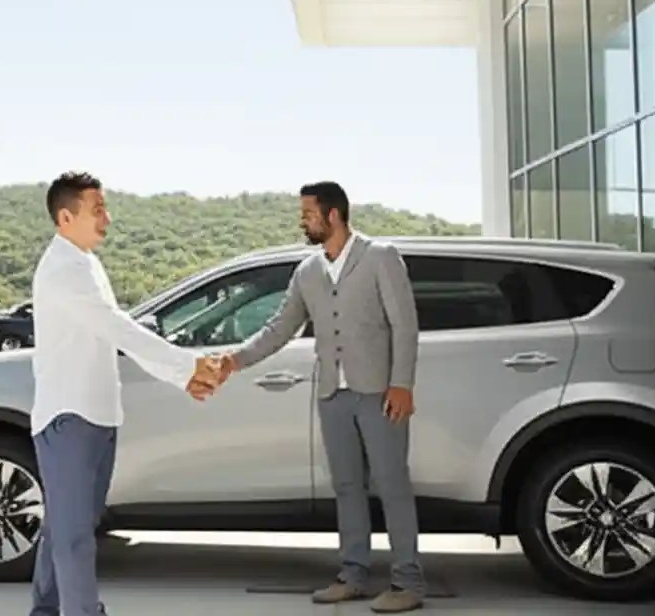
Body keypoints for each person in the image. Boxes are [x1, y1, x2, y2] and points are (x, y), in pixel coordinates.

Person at [203, 181, 424, 614]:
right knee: (346, 487)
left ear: (334, 215)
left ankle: (408, 582)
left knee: (393, 484)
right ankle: (354, 575)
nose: (302, 221)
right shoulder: (307, 272)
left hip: (380, 391)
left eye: (308, 213)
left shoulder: (381, 257)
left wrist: (402, 384)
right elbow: (279, 329)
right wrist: (233, 361)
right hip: (332, 394)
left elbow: (405, 325)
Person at [29, 171, 224, 616]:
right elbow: (119, 329)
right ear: (65, 216)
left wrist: (181, 373)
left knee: (66, 530)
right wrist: (186, 367)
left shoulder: (86, 263)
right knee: (74, 537)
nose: (107, 218)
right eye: (97, 209)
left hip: (96, 417)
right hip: (70, 419)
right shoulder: (63, 271)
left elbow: (116, 334)